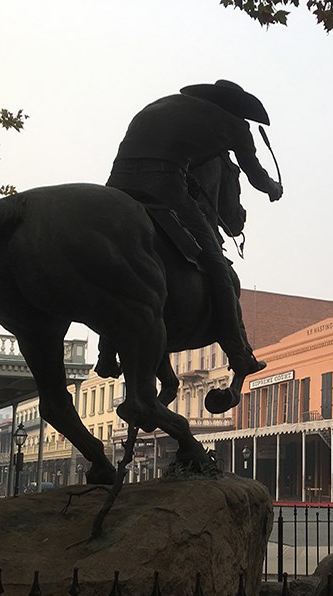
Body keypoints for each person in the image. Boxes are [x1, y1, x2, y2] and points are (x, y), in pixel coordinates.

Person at [106, 80, 283, 377]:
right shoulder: (235, 126)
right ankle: (238, 351)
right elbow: (255, 176)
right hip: (162, 184)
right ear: (237, 108)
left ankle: (106, 353)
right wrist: (273, 188)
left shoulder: (168, 105)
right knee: (215, 262)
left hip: (117, 185)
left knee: (114, 260)